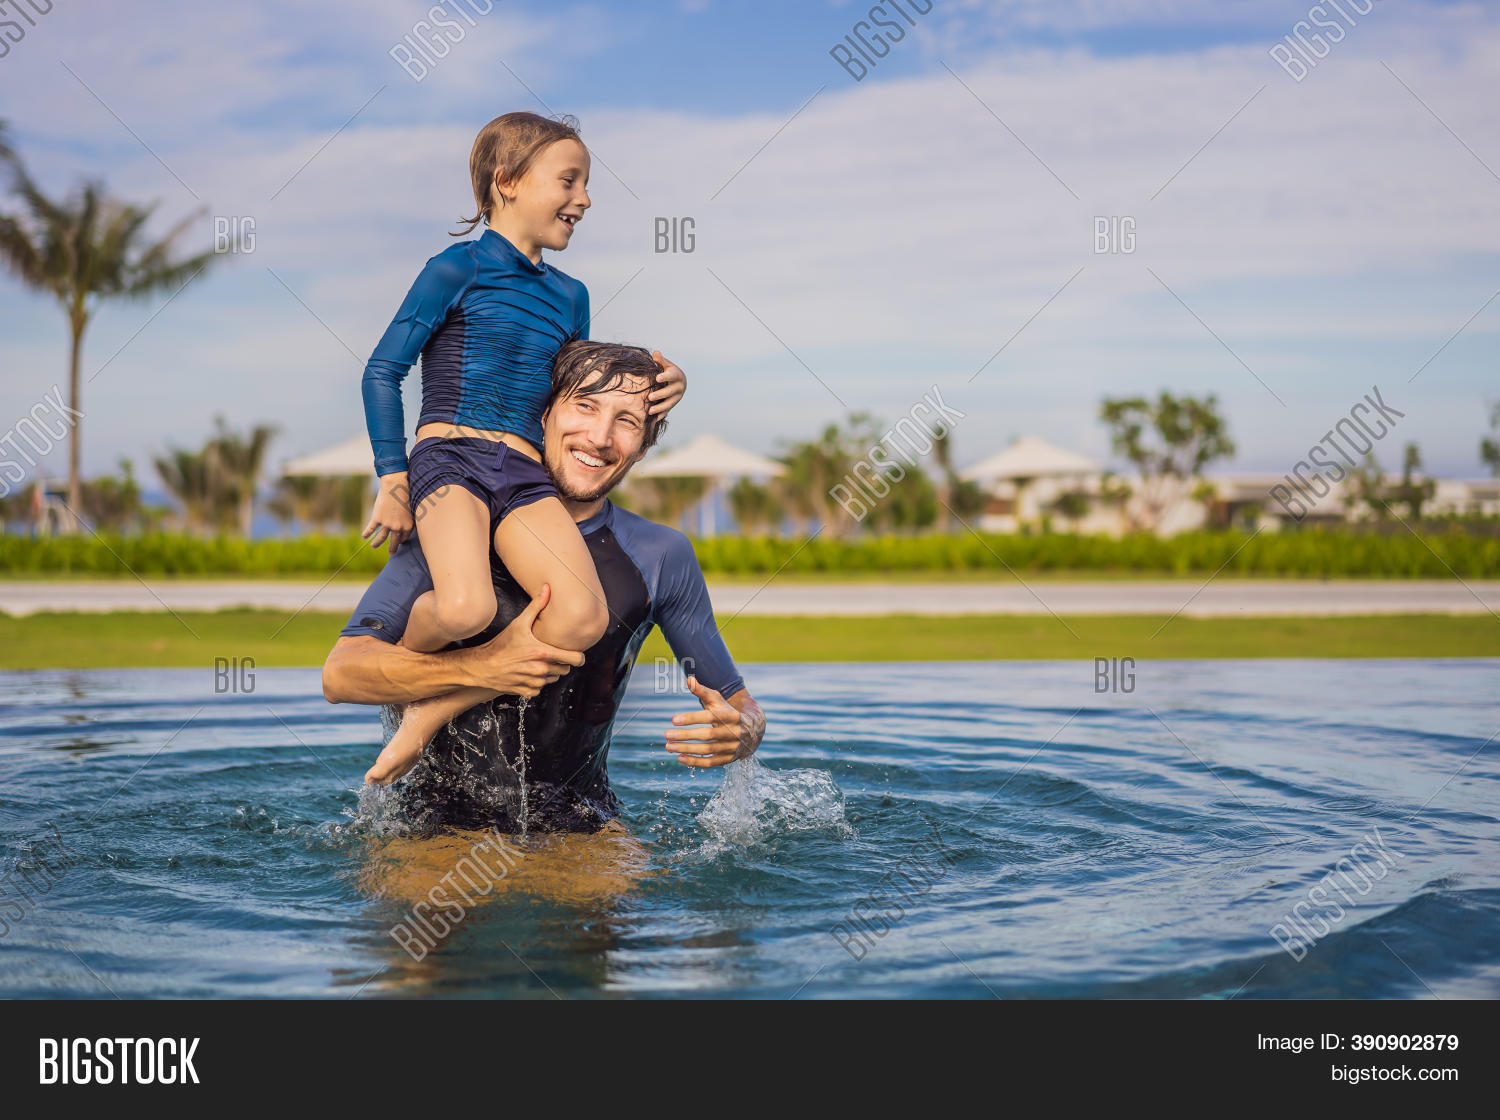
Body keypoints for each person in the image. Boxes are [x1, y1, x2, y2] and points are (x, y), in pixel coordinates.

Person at [358, 111, 688, 783]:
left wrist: (667, 383)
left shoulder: (572, 296)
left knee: (583, 616)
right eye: (569, 180)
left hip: (523, 472)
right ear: (506, 182)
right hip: (451, 456)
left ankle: (429, 713)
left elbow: (576, 394)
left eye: (586, 184)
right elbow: (381, 371)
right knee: (465, 608)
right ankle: (402, 690)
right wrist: (394, 479)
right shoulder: (455, 269)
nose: (586, 198)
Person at [324, 340, 765, 833]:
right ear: (542, 416)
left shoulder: (661, 554)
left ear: (642, 448)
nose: (599, 437)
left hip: (581, 817)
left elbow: (739, 703)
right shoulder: (454, 530)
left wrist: (742, 732)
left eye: (627, 421)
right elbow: (342, 675)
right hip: (435, 824)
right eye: (585, 405)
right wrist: (486, 666)